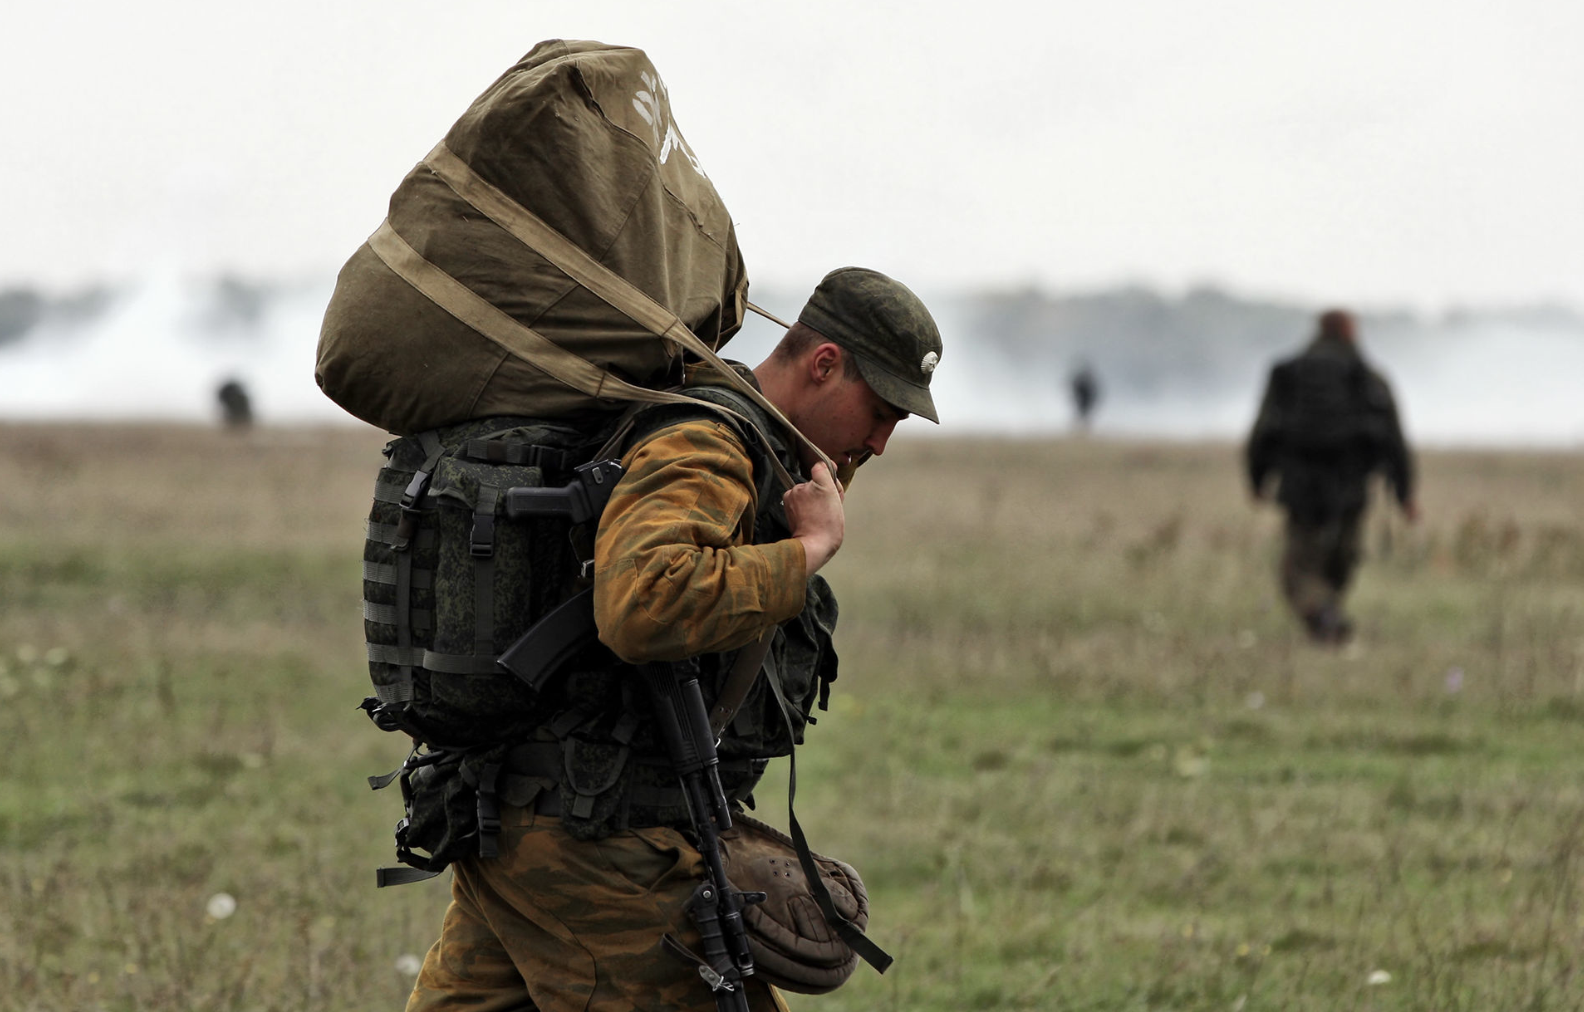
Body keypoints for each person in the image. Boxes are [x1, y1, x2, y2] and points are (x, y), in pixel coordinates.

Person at [405, 267, 942, 1012]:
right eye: (881, 411)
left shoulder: (748, 443)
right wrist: (806, 552)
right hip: (592, 839)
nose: (882, 441)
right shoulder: (708, 439)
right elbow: (642, 604)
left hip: (538, 818)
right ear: (825, 365)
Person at [1246, 309, 1416, 645]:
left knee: (1299, 568)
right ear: (1351, 331)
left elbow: (1264, 431)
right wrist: (1405, 493)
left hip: (1300, 485)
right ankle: (1327, 616)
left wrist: (1257, 479)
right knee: (1342, 559)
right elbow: (1394, 439)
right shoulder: (1369, 378)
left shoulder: (1287, 373)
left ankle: (1323, 615)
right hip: (1351, 485)